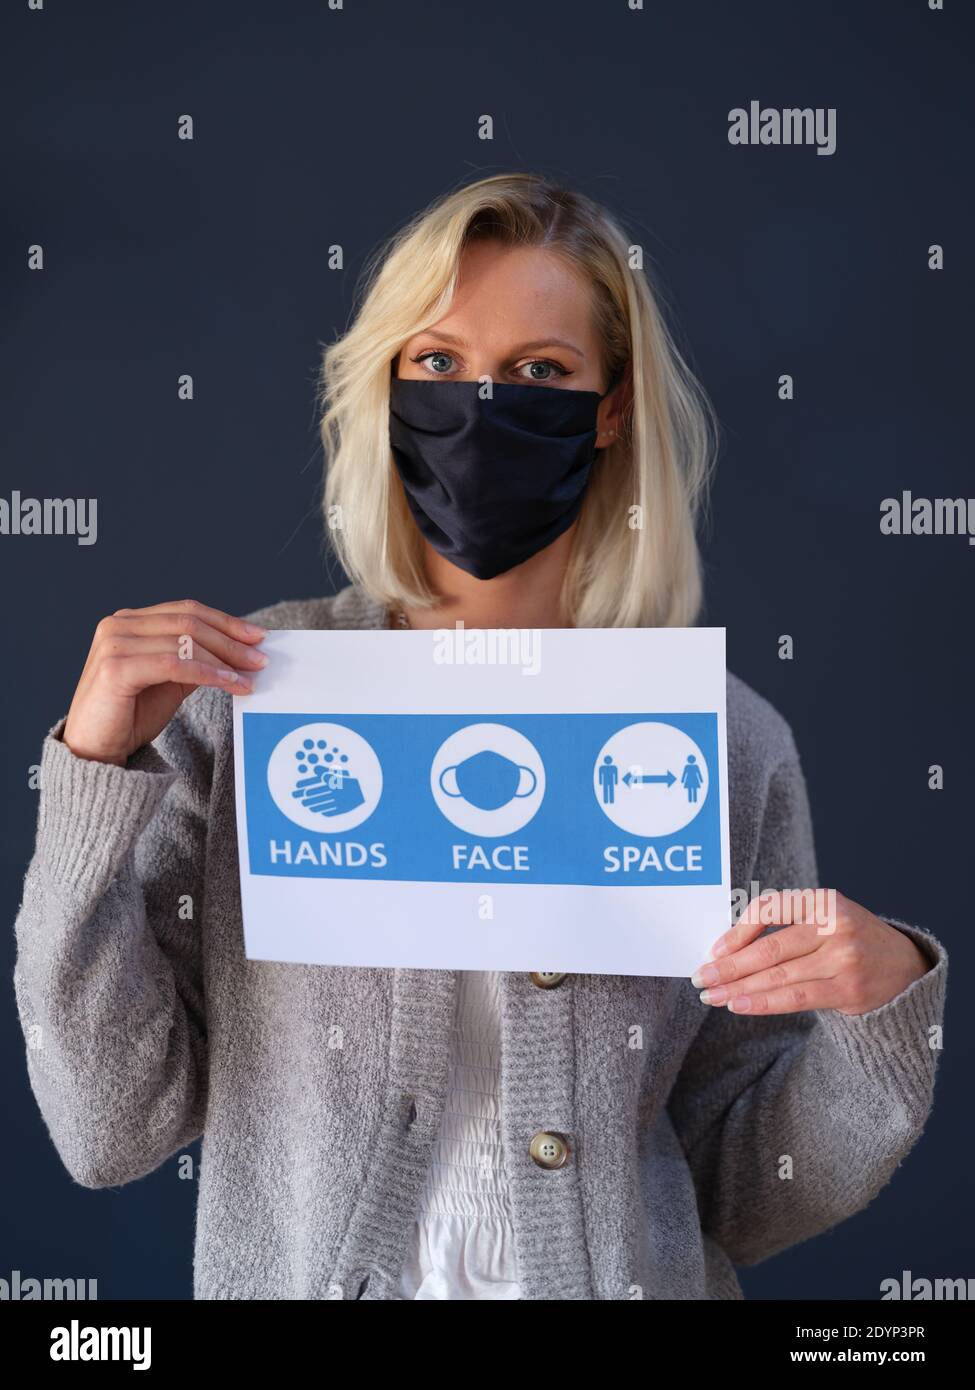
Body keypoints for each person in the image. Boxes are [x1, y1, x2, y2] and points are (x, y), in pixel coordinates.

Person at [13, 173, 947, 1301]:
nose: (484, 406)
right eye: (440, 363)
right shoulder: (245, 702)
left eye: (541, 372)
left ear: (609, 409)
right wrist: (92, 784)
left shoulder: (716, 741)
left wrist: (883, 1015)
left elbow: (743, 1191)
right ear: (387, 385)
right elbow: (109, 1126)